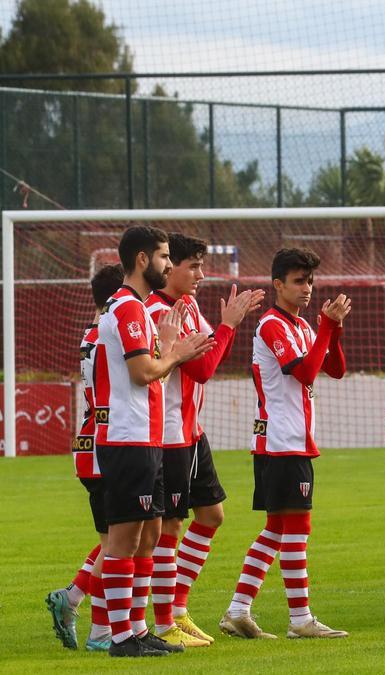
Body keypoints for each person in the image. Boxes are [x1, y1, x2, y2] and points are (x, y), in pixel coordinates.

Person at [219, 248, 351, 640]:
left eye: (309, 281)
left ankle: (238, 611)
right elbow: (306, 373)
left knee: (276, 529)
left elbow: (336, 369)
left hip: (289, 440)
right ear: (278, 284)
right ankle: (300, 619)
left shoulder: (303, 327)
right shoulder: (272, 325)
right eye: (298, 281)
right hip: (282, 440)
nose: (306, 288)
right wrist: (325, 329)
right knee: (296, 527)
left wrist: (332, 330)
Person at [95, 226, 214, 657]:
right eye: (164, 256)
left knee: (148, 537)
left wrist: (167, 347)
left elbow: (152, 369)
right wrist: (176, 352)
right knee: (124, 541)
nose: (168, 264)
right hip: (128, 439)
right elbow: (143, 372)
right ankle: (120, 637)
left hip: (147, 439)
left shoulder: (139, 309)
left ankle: (139, 629)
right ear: (142, 259)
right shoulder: (128, 308)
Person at [143, 233, 263, 647]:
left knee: (211, 515)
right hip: (168, 434)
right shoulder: (158, 312)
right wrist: (229, 324)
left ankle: (177, 609)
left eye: (201, 265)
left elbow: (212, 353)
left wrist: (226, 327)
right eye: (192, 266)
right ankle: (164, 623)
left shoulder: (189, 305)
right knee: (167, 526)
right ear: (168, 268)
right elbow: (203, 369)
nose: (201, 274)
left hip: (192, 431)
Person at [45, 264, 125, 652]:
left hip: (91, 444)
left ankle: (73, 598)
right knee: (118, 543)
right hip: (105, 447)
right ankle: (101, 632)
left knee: (115, 540)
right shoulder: (109, 337)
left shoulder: (91, 335)